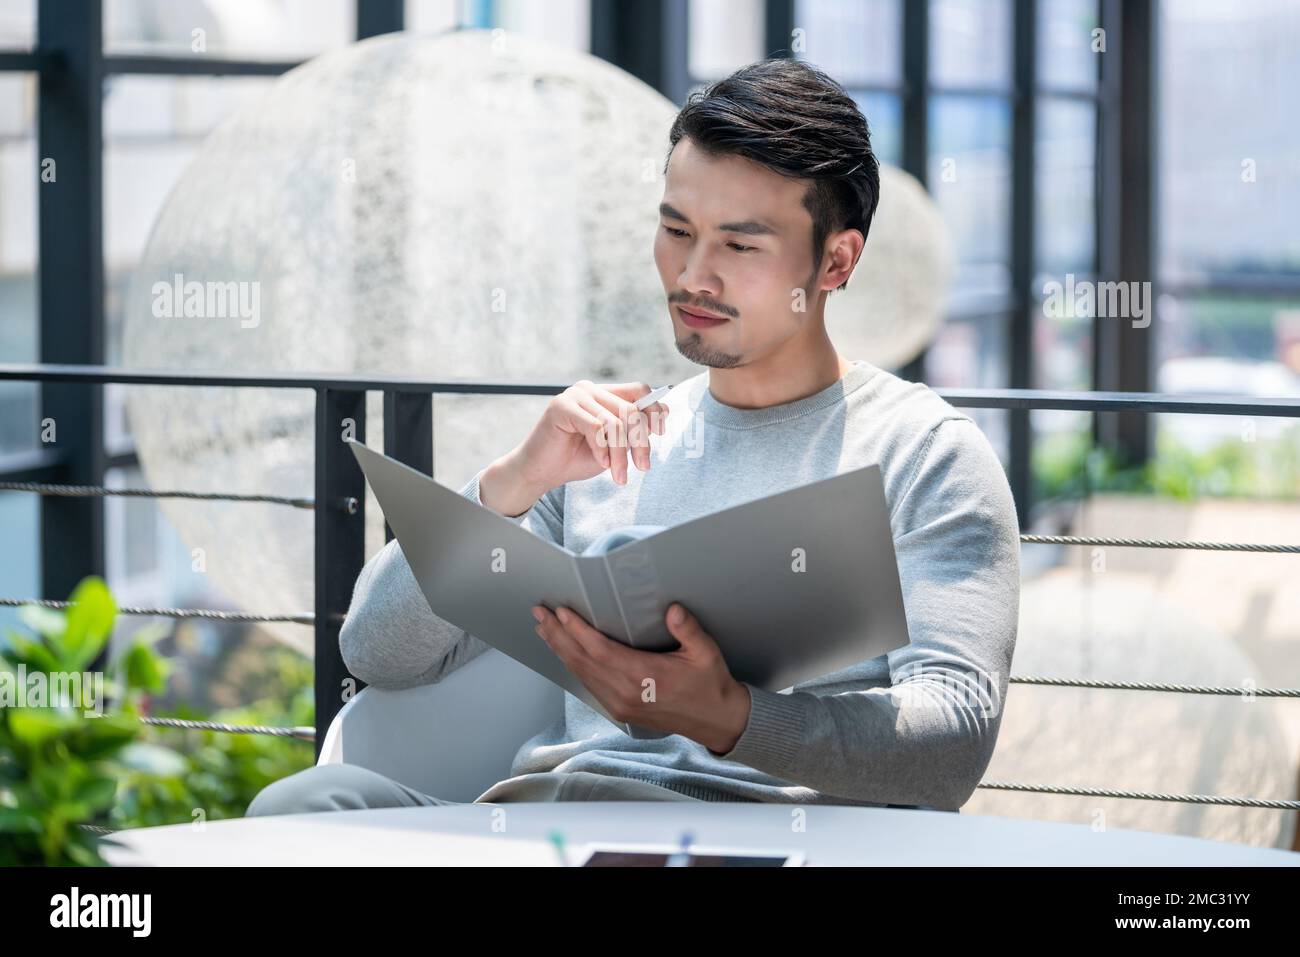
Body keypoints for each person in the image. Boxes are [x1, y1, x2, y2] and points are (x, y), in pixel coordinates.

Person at [245, 56, 1019, 818]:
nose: (693, 276)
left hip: (757, 833)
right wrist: (513, 482)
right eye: (676, 230)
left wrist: (730, 716)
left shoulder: (926, 454)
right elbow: (378, 653)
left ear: (836, 260)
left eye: (740, 246)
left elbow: (951, 742)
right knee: (306, 805)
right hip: (546, 816)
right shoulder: (614, 442)